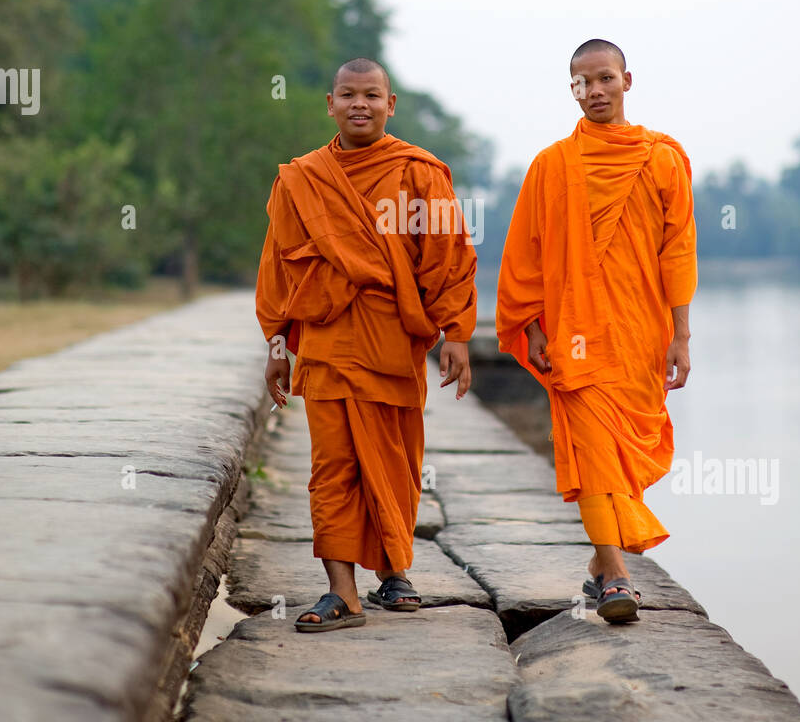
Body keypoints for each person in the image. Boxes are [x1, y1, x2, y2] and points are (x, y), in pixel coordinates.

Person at [255, 57, 476, 631]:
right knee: (332, 466)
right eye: (348, 94)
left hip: (390, 343)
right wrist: (277, 345)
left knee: (395, 460)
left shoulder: (418, 173)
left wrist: (456, 333)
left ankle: (393, 572)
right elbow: (277, 269)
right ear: (329, 103)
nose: (360, 104)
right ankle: (340, 590)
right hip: (326, 344)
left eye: (371, 95)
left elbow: (447, 256)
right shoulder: (300, 180)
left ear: (390, 104)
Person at [495, 40, 697, 623]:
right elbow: (524, 253)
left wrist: (680, 335)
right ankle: (616, 577)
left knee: (622, 459)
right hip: (573, 335)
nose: (595, 91)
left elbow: (677, 251)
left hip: (639, 332)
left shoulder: (663, 158)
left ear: (627, 81)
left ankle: (598, 567)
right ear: (573, 89)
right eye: (582, 83)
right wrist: (530, 324)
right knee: (593, 452)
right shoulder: (551, 165)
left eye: (605, 78)